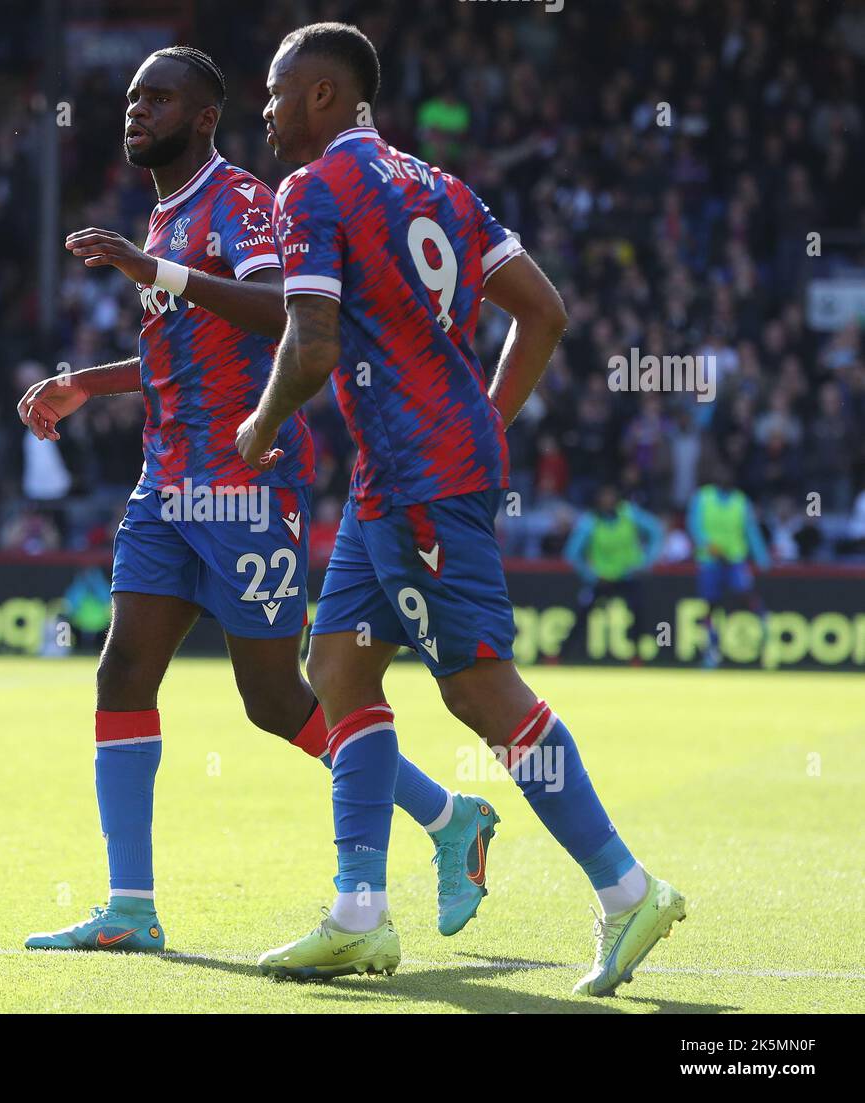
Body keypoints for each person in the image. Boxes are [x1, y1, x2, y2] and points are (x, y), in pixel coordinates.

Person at [237, 22, 684, 994]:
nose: (264, 110)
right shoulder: (439, 185)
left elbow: (309, 342)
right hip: (401, 471)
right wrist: (477, 417)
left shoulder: (310, 188)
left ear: (321, 95)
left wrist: (261, 422)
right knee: (339, 665)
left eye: (274, 92)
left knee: (478, 687)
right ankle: (358, 910)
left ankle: (625, 885)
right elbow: (545, 310)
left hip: (418, 473)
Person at [17, 47, 456, 954]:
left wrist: (151, 271)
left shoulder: (244, 201)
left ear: (206, 115)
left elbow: (279, 314)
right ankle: (130, 907)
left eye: (159, 97)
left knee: (273, 700)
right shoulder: (169, 213)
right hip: (164, 486)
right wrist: (84, 385)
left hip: (248, 486)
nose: (137, 110)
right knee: (120, 673)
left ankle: (446, 813)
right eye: (133, 98)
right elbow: (183, 353)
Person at [562, 483, 664, 661]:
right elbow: (571, 553)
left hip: (628, 576)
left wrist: (646, 563)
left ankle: (638, 655)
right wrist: (591, 575)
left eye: (611, 496)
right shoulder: (590, 521)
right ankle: (563, 654)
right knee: (582, 614)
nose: (607, 501)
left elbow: (656, 531)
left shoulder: (630, 514)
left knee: (638, 612)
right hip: (602, 579)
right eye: (604, 496)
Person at [687, 465, 770, 668]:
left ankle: (765, 628)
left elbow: (750, 530)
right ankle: (712, 650)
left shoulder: (741, 501)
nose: (724, 478)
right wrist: (708, 545)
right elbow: (694, 525)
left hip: (734, 559)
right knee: (711, 607)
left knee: (745, 594)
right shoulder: (702, 497)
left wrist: (762, 558)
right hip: (710, 560)